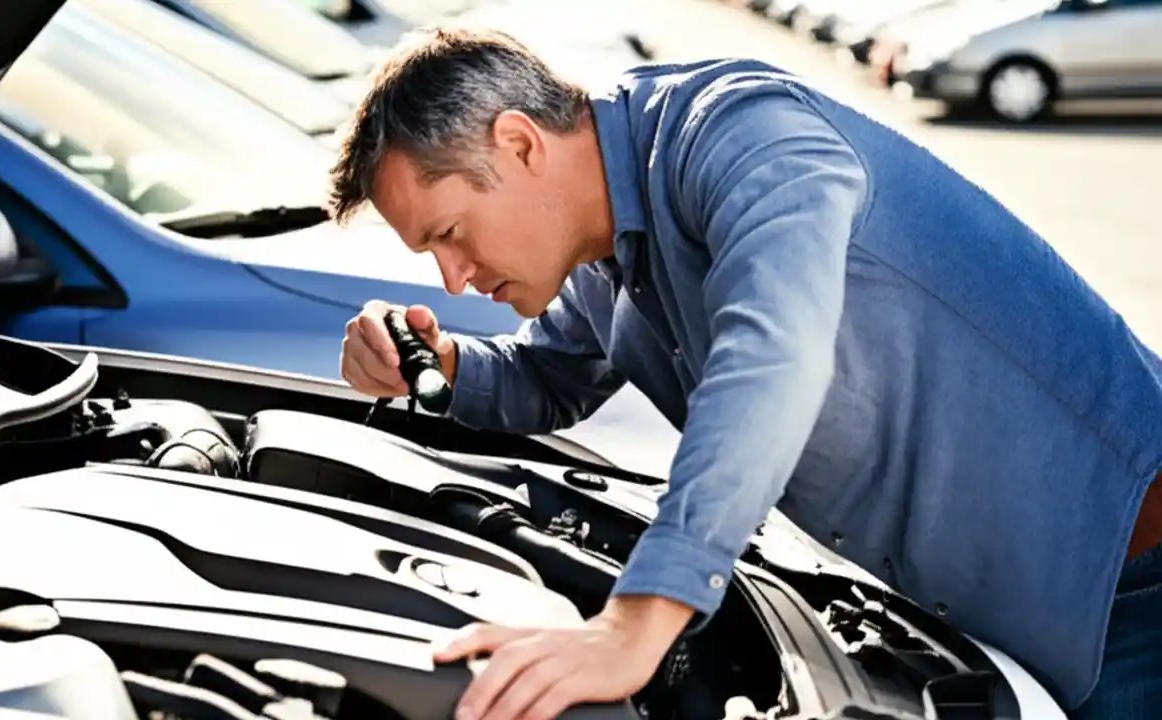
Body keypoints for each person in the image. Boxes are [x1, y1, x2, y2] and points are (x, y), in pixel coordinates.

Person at [328, 25, 1162, 720]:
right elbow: (549, 382)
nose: (452, 277)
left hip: (1127, 585)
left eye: (449, 232)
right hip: (1001, 618)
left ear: (518, 143)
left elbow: (770, 359)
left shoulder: (745, 138)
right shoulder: (600, 255)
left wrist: (640, 621)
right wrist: (435, 368)